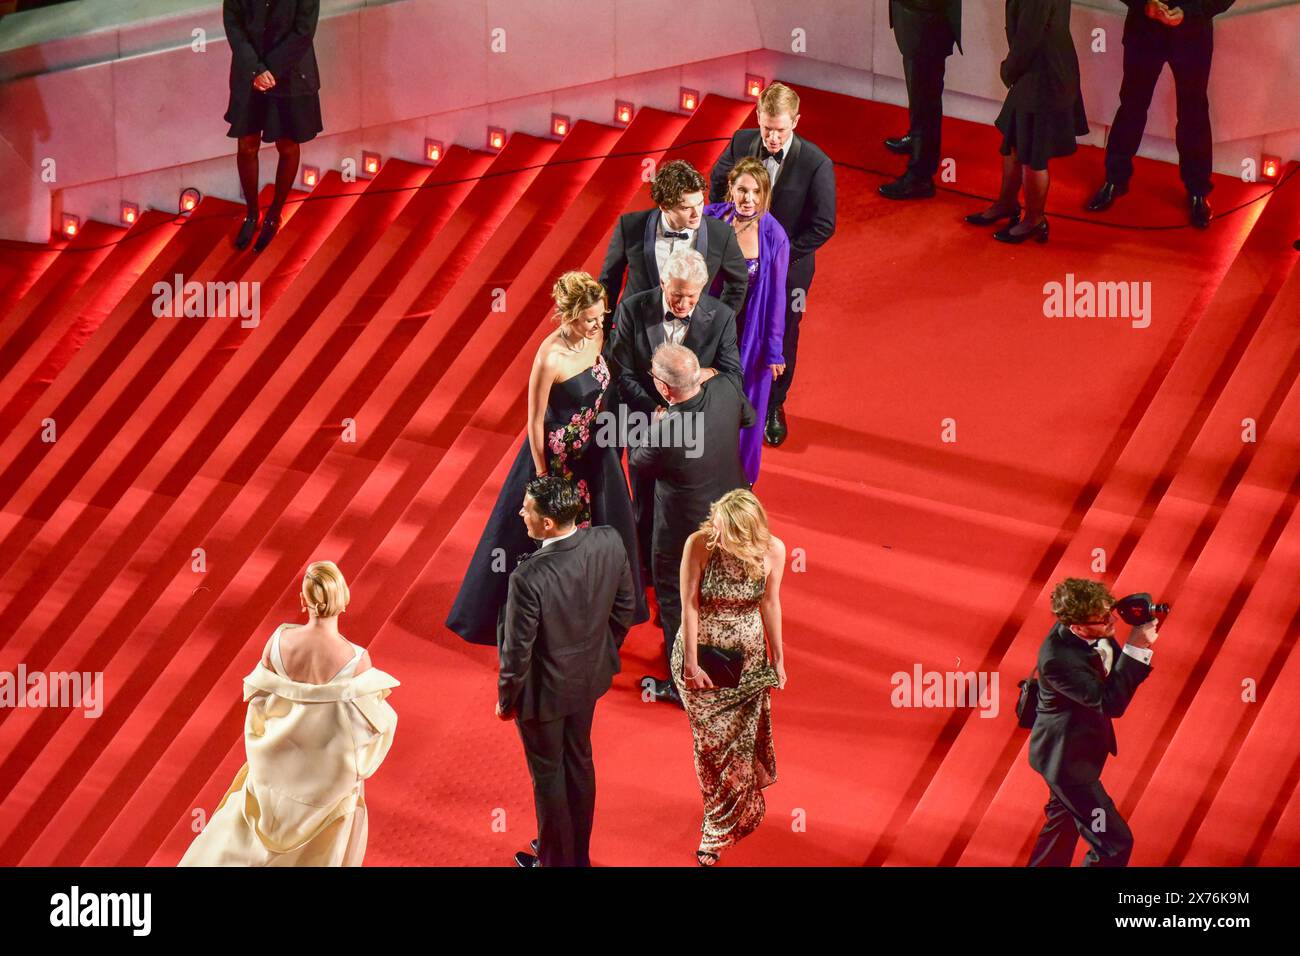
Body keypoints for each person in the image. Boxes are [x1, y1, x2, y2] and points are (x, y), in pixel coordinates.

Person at [447, 272, 647, 645]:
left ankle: (596, 607)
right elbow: (534, 421)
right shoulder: (549, 356)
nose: (596, 325)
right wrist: (543, 474)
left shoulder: (598, 334)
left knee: (603, 528)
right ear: (568, 315)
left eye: (600, 317)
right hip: (556, 459)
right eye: (589, 318)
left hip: (594, 449)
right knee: (541, 539)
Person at [179, 561, 398, 866]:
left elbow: (259, 699)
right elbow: (370, 724)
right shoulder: (356, 659)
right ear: (344, 599)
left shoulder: (280, 641)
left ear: (303, 600)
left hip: (277, 759)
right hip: (326, 771)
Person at [497, 476, 638, 867]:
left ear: (547, 525)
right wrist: (600, 651)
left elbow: (517, 653)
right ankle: (574, 853)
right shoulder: (609, 541)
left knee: (549, 777)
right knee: (578, 761)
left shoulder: (528, 577)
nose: (520, 512)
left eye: (528, 509)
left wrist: (506, 700)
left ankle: (558, 861)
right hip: (588, 680)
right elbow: (626, 607)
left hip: (542, 696)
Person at [709, 82, 836, 448]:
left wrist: (778, 256)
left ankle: (773, 406)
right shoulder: (740, 141)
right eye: (767, 128)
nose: (773, 137)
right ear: (758, 118)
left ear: (796, 121)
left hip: (788, 270)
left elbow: (824, 225)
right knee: (729, 322)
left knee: (781, 333)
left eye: (781, 129)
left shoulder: (816, 163)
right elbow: (718, 182)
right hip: (736, 261)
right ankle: (725, 397)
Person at [608, 248, 742, 591]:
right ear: (663, 282)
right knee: (646, 503)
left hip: (695, 426)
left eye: (692, 297)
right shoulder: (632, 308)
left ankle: (698, 570)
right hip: (644, 421)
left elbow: (731, 375)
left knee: (691, 504)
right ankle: (649, 575)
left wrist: (694, 382)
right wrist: (656, 412)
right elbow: (621, 373)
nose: (683, 304)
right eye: (676, 295)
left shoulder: (722, 315)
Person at [630, 344, 753, 706]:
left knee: (676, 600)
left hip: (683, 533)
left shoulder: (665, 429)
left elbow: (638, 462)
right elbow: (748, 418)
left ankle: (682, 682)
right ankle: (729, 664)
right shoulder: (728, 388)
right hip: (733, 516)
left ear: (665, 389)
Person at [672, 489, 786, 865]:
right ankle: (716, 820)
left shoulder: (773, 551)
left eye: (725, 532)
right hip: (701, 659)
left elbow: (770, 602)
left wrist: (779, 658)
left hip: (748, 665)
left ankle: (723, 819)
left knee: (737, 744)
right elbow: (688, 602)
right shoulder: (699, 544)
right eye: (715, 526)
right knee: (709, 746)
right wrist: (691, 662)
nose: (716, 536)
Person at [1026, 578, 1156, 867]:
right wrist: (1136, 648)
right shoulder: (1057, 660)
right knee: (1114, 843)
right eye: (1103, 619)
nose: (1112, 621)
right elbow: (1110, 702)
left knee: (1062, 827)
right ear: (1077, 628)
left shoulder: (1090, 623)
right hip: (1067, 763)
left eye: (1109, 611)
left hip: (1068, 751)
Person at [1086, 1, 1235, 229]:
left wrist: (1191, 12)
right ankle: (1114, 178)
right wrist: (1143, 4)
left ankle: (1197, 190)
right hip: (1144, 32)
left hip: (1192, 35)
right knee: (1131, 106)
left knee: (1193, 113)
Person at [965, 0, 1089, 245]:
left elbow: (1029, 37)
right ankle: (1007, 204)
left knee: (1033, 153)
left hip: (1044, 76)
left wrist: (1008, 70)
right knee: (1013, 141)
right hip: (1033, 73)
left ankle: (1035, 219)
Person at [704, 158, 789, 484]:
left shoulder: (774, 235)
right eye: (742, 189)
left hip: (748, 334)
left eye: (756, 191)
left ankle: (740, 481)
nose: (748, 198)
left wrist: (774, 351)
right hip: (709, 329)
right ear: (731, 189)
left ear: (765, 194)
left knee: (746, 406)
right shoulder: (712, 217)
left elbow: (778, 298)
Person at [598, 159, 749, 334]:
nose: (696, 214)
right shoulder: (631, 226)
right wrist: (605, 329)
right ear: (664, 206)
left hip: (690, 337)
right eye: (686, 208)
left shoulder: (720, 234)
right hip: (633, 332)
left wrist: (715, 323)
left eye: (700, 203)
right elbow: (609, 281)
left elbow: (738, 282)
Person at [223, 0, 322, 252]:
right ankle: (252, 213)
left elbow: (304, 29)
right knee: (247, 145)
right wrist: (256, 70)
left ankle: (274, 214)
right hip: (250, 72)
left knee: (287, 144)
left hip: (290, 73)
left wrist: (271, 71)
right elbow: (233, 23)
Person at [879, 0, 964, 200]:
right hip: (915, 17)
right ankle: (917, 140)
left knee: (925, 97)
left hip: (928, 18)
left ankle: (920, 176)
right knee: (918, 91)